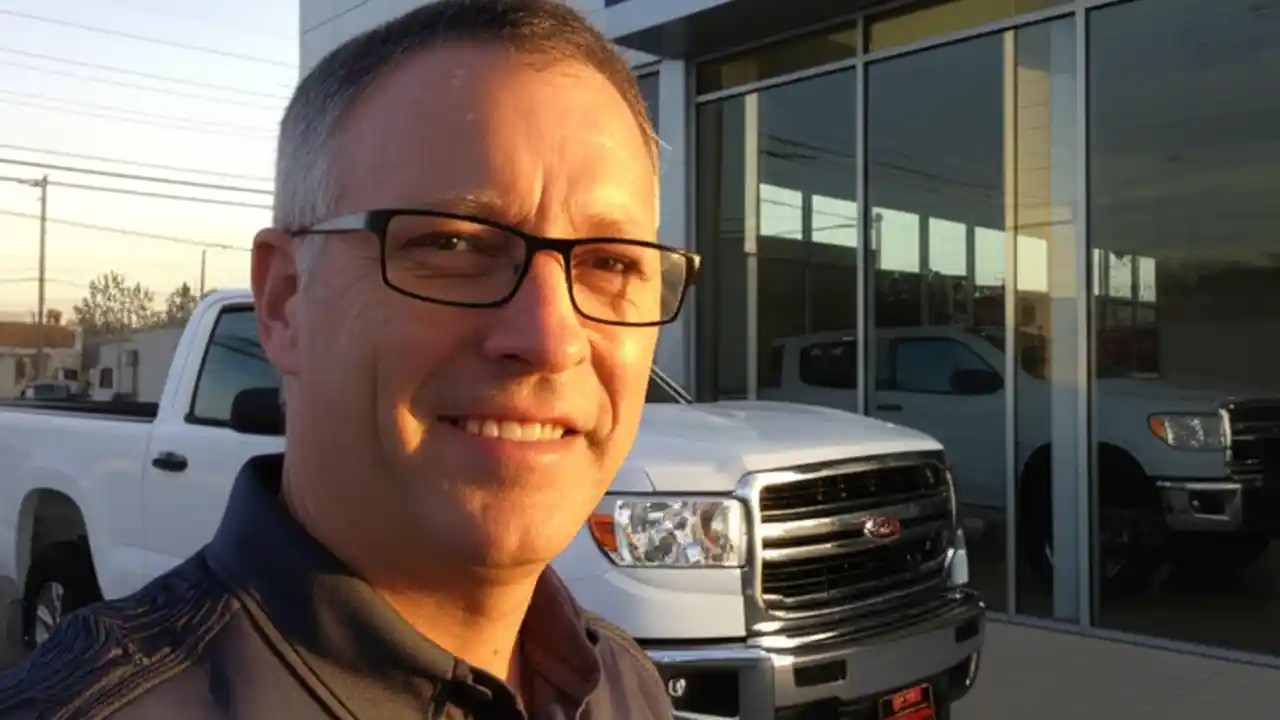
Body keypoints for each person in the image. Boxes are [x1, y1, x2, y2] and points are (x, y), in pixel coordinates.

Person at [0, 0, 698, 717]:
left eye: (612, 263)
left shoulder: (621, 685)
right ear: (285, 299)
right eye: (452, 245)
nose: (553, 340)